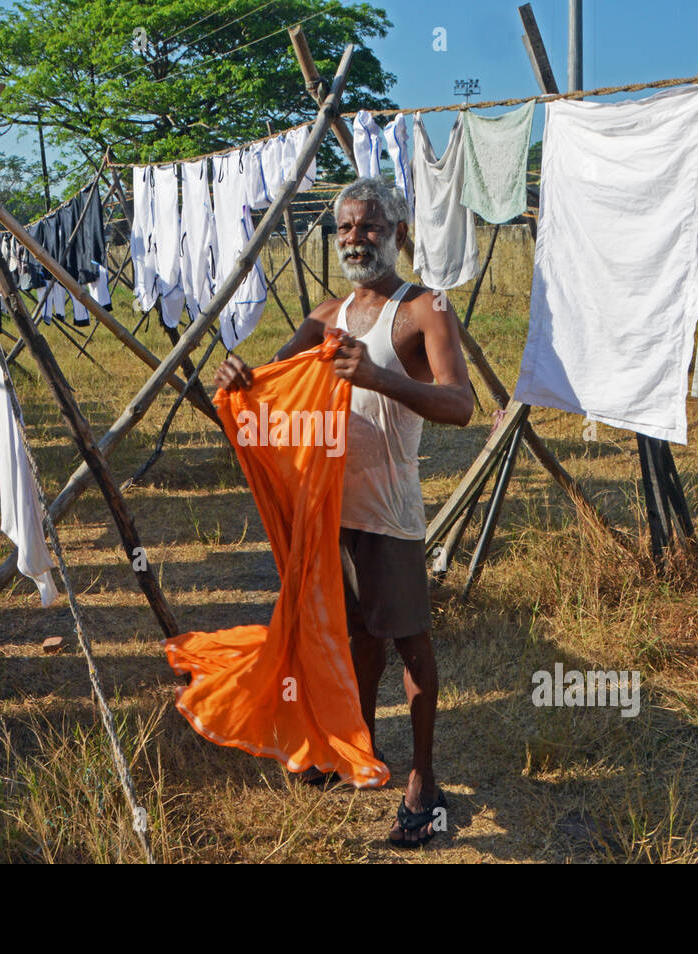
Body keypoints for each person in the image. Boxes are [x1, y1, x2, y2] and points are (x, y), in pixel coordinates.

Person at [213, 177, 474, 846]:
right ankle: (351, 744)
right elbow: (273, 383)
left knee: (410, 641)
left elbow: (460, 404)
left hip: (388, 510)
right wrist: (240, 378)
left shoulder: (424, 309)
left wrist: (379, 376)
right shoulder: (326, 315)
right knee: (355, 636)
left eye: (370, 227)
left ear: (397, 232)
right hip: (330, 508)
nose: (356, 239)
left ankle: (425, 781)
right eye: (346, 229)